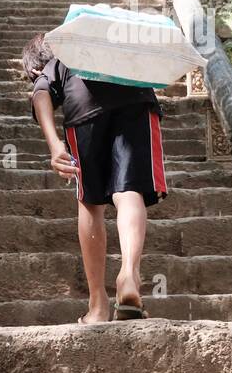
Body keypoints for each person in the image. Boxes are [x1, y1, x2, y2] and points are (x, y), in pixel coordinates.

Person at [23, 33, 167, 323]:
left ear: (37, 66)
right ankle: (128, 276)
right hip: (135, 97)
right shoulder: (108, 45)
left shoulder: (58, 61)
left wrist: (54, 146)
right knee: (129, 191)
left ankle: (98, 305)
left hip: (83, 109)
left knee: (90, 202)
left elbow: (41, 94)